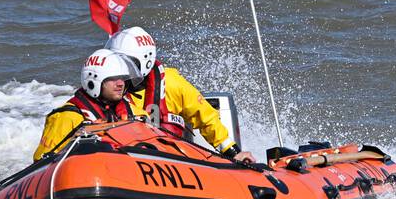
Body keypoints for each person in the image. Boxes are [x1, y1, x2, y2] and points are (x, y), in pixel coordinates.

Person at [109, 26, 256, 163]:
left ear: (144, 62)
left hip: (172, 161)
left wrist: (233, 152)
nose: (118, 68)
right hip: (125, 159)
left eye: (124, 63)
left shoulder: (172, 84)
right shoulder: (107, 90)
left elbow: (206, 117)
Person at [33, 49, 141, 161]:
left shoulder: (134, 113)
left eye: (123, 78)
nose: (120, 83)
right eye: (113, 78)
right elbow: (40, 162)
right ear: (94, 80)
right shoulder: (68, 117)